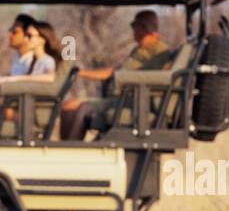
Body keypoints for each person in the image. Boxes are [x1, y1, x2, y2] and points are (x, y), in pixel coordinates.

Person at [59, 9, 172, 139]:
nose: (133, 30)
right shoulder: (139, 49)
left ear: (144, 27)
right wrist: (82, 73)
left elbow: (151, 78)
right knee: (68, 106)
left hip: (132, 100)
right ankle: (65, 149)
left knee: (78, 107)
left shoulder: (160, 51)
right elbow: (115, 72)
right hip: (119, 97)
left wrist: (123, 80)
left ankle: (72, 151)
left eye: (134, 26)